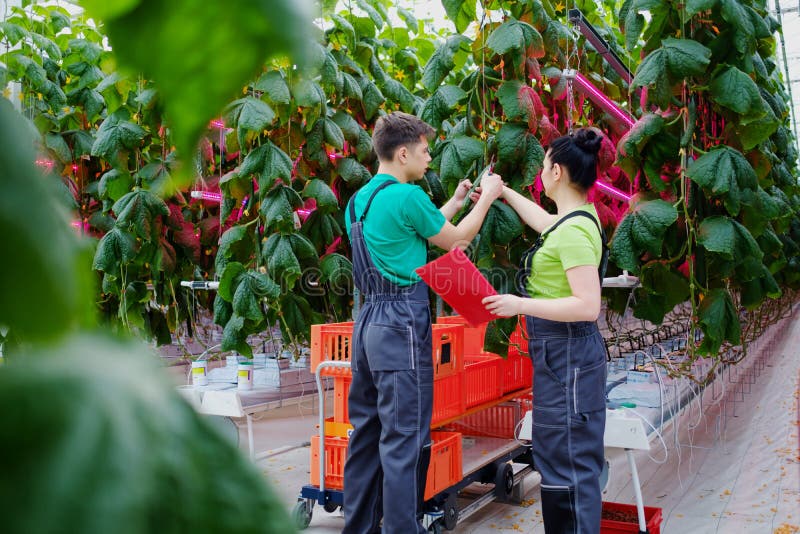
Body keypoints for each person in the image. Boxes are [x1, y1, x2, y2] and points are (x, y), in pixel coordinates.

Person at [343, 111, 503, 534]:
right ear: (402, 153)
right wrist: (487, 196)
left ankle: (359, 528)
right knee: (404, 440)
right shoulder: (409, 196)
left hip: (367, 324)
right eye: (425, 150)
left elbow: (410, 231)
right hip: (399, 323)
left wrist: (454, 200)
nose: (430, 158)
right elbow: (456, 241)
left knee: (366, 436)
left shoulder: (360, 200)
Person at [483, 128, 608, 534]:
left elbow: (588, 306)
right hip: (564, 357)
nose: (540, 172)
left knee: (566, 461)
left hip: (568, 355)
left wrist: (520, 304)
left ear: (556, 172)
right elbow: (545, 223)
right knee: (562, 458)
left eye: (542, 165)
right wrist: (502, 192)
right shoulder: (575, 219)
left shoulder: (573, 231)